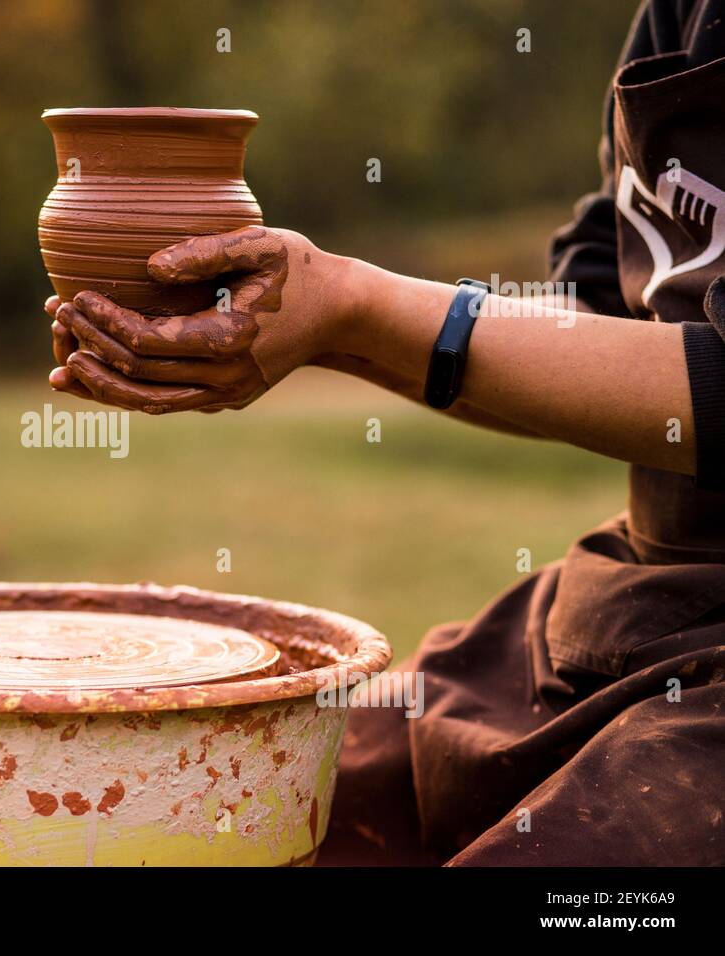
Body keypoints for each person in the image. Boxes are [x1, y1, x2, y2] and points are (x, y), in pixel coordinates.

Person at [45, 0, 725, 865]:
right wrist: (321, 332)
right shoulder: (678, 12)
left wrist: (360, 310)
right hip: (642, 593)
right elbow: (592, 331)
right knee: (242, 795)